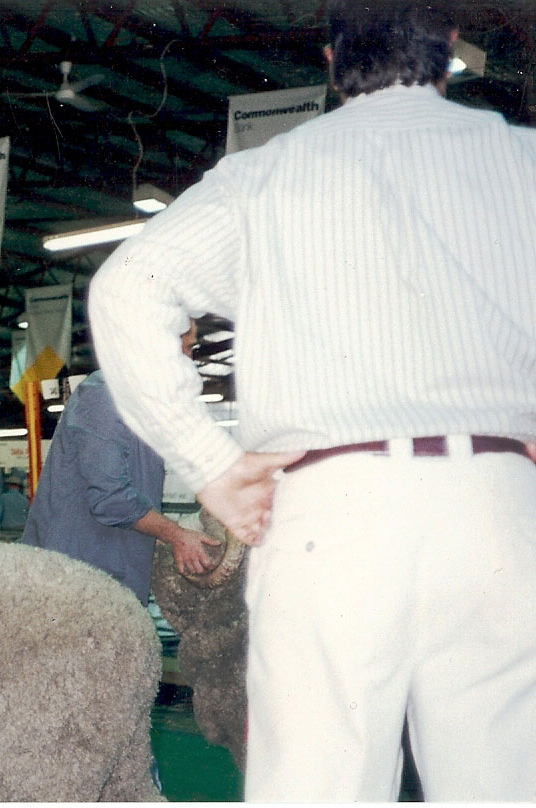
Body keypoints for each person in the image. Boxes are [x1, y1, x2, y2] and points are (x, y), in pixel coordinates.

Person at [88, 1, 536, 801]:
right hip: (497, 508)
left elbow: (127, 289)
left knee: (318, 785)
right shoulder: (521, 160)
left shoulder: (266, 174)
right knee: (504, 782)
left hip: (333, 513)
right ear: (449, 48)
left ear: (331, 61)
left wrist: (213, 466)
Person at [21, 348, 218, 602]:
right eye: (184, 347)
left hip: (115, 582)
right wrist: (174, 534)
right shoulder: (104, 394)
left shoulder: (146, 409)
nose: (189, 358)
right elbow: (110, 500)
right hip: (71, 583)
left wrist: (160, 536)